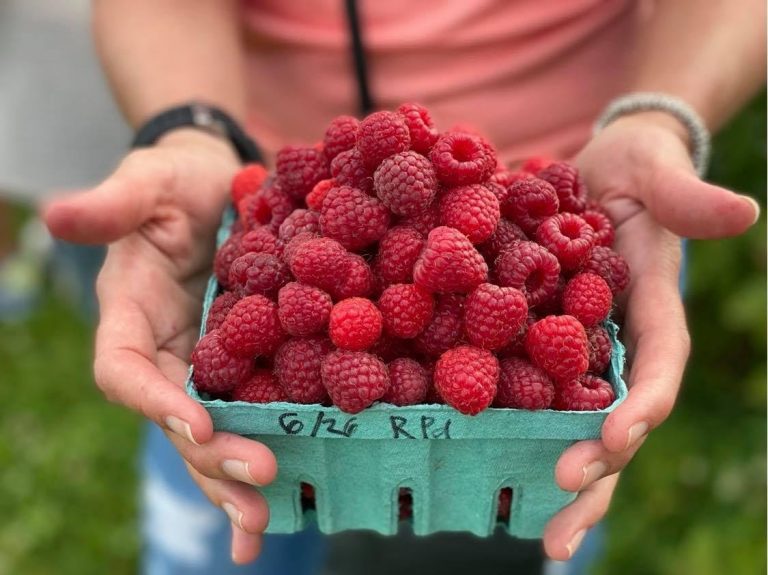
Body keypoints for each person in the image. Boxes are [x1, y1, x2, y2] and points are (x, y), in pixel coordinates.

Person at [42, 1, 764, 573]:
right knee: (227, 505)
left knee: (534, 511)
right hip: (265, 190)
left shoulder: (522, 275)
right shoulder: (313, 267)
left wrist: (658, 116)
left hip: (587, 192)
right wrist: (190, 129)